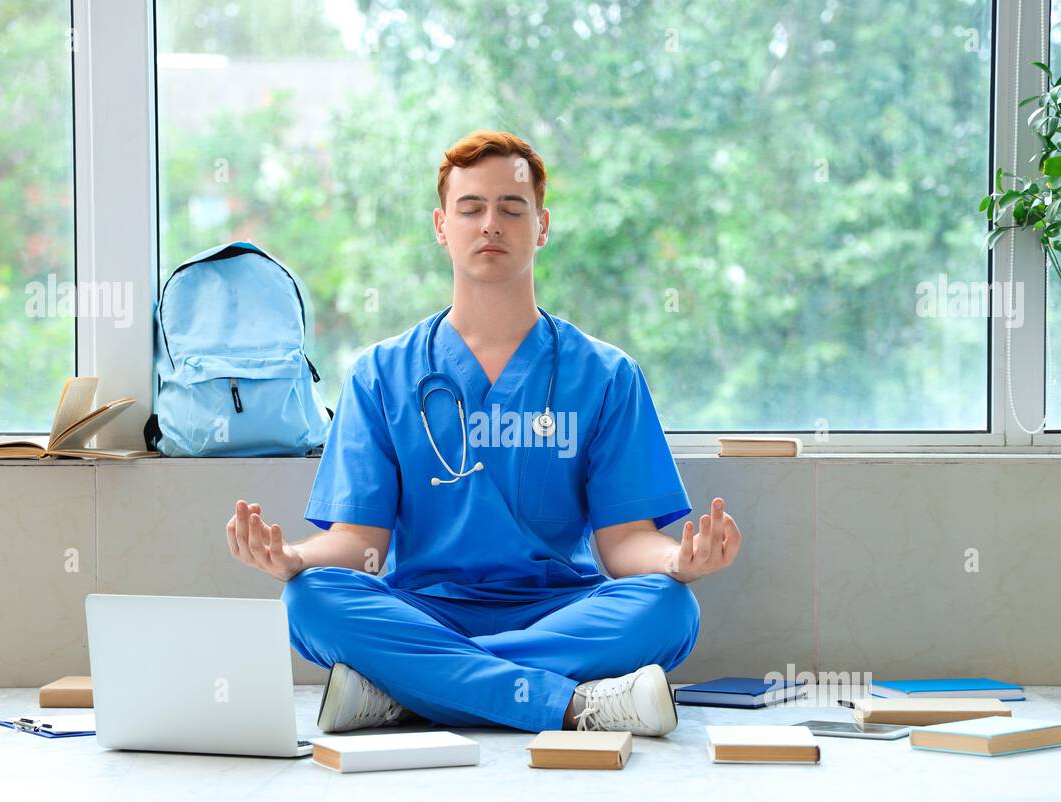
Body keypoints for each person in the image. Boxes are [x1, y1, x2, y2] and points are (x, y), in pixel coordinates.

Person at [227, 130, 741, 737]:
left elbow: (626, 545)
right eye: (471, 208)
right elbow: (357, 545)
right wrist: (293, 558)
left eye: (511, 207)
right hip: (426, 610)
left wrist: (678, 558)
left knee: (670, 608)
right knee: (310, 599)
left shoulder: (606, 375)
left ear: (542, 226)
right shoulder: (379, 374)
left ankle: (407, 691)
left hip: (559, 609)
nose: (490, 224)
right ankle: (572, 705)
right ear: (442, 226)